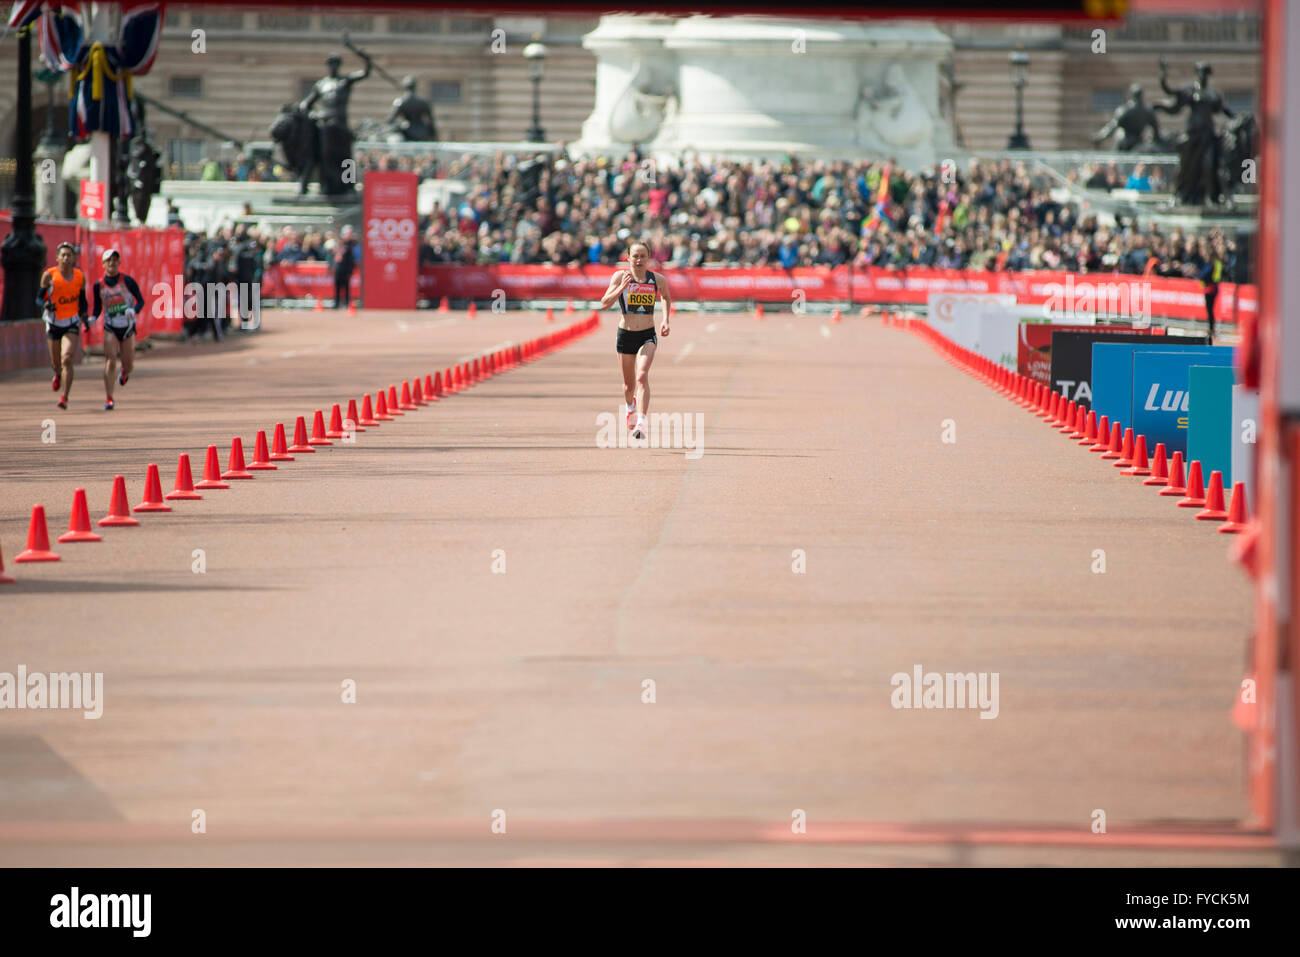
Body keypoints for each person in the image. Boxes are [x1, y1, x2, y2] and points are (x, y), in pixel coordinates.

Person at [598, 241, 671, 440]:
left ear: (648, 258)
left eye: (643, 256)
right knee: (629, 386)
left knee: (642, 376)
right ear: (628, 258)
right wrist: (622, 287)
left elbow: (665, 297)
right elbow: (604, 303)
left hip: (647, 334)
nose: (639, 260)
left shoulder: (657, 279)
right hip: (626, 334)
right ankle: (630, 406)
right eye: (635, 256)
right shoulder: (620, 276)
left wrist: (665, 319)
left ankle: (641, 422)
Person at [89, 249, 145, 410]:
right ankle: (109, 398)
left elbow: (140, 300)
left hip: (127, 327)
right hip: (110, 327)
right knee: (110, 360)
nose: (112, 263)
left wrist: (133, 310)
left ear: (119, 263)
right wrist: (93, 318)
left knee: (129, 364)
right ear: (103, 264)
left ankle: (125, 372)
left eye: (115, 260)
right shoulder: (98, 285)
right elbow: (98, 307)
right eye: (109, 260)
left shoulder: (127, 281)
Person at [38, 242, 88, 409]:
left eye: (69, 255)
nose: (66, 258)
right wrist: (46, 304)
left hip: (71, 321)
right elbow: (38, 298)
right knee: (57, 363)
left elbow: (83, 301)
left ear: (74, 258)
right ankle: (58, 374)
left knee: (67, 358)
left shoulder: (80, 276)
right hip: (53, 322)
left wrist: (85, 316)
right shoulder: (49, 275)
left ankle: (64, 397)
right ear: (57, 258)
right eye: (63, 255)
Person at [333, 225, 357, 308]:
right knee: (337, 287)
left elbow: (352, 257)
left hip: (347, 268)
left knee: (347, 287)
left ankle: (347, 303)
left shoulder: (351, 244)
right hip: (339, 268)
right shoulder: (339, 244)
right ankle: (336, 303)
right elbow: (335, 254)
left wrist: (351, 269)